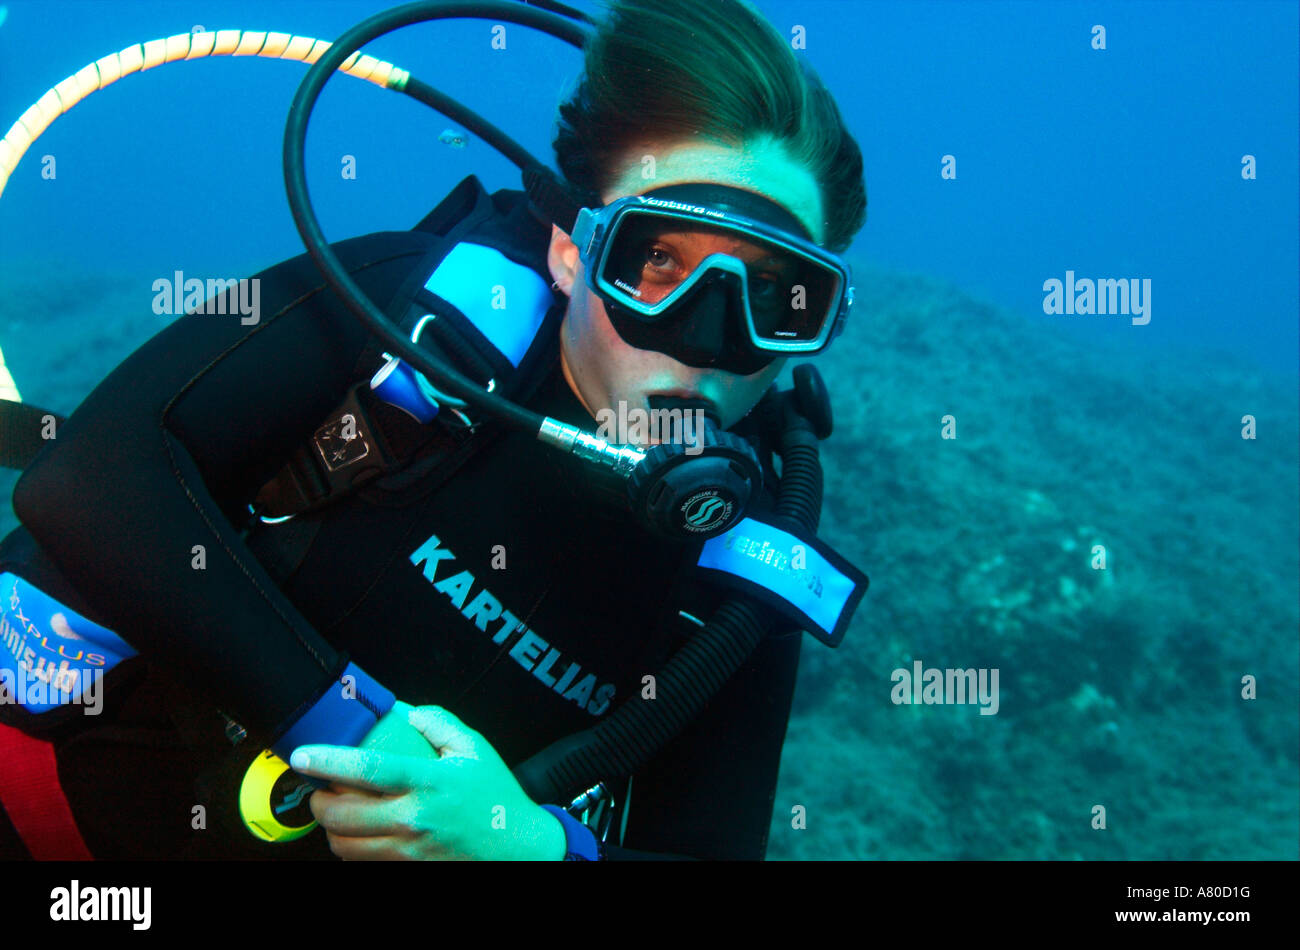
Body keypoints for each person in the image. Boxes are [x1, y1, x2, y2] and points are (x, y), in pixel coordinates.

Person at [0, 0, 866, 860]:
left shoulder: (742, 587)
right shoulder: (405, 314)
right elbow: (91, 477)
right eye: (657, 260)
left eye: (776, 298)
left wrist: (526, 845)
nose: (706, 343)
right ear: (571, 244)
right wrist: (352, 727)